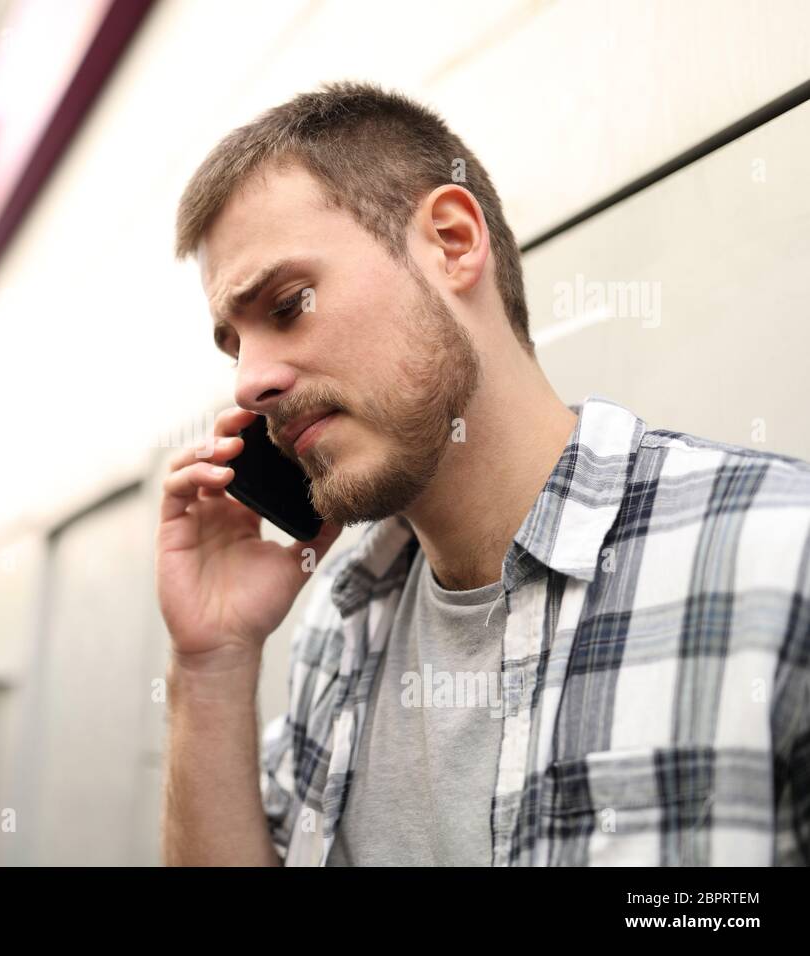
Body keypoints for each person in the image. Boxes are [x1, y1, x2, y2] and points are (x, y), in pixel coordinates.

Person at [155, 81, 810, 866]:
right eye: (235, 346)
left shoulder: (778, 559)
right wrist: (212, 665)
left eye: (290, 304)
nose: (249, 382)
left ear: (454, 243)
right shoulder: (341, 628)